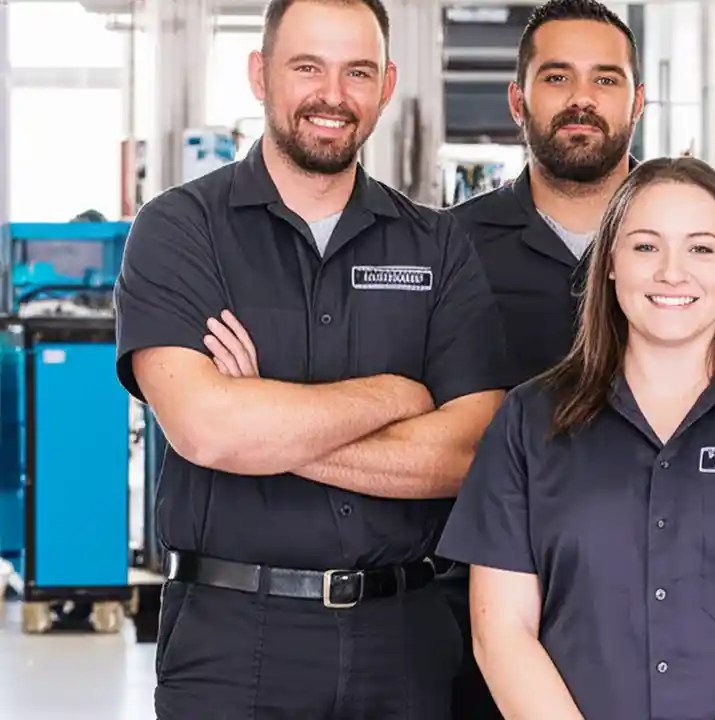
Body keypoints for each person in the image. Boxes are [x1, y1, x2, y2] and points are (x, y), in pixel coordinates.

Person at [112, 1, 515, 717]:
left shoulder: (437, 246)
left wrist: (264, 419)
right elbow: (207, 431)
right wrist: (397, 394)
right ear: (260, 74)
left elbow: (469, 452)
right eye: (308, 67)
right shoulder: (179, 230)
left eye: (357, 71)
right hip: (232, 640)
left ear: (386, 86)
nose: (333, 95)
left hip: (405, 639)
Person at [435, 157, 715, 719]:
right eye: (646, 246)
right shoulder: (528, 422)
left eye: (701, 248)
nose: (672, 273)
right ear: (609, 263)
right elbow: (502, 633)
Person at [441, 2, 715, 714]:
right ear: (518, 99)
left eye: (607, 79)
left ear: (638, 100)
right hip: (491, 628)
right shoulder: (449, 250)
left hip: (697, 623)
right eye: (557, 77)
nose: (582, 98)